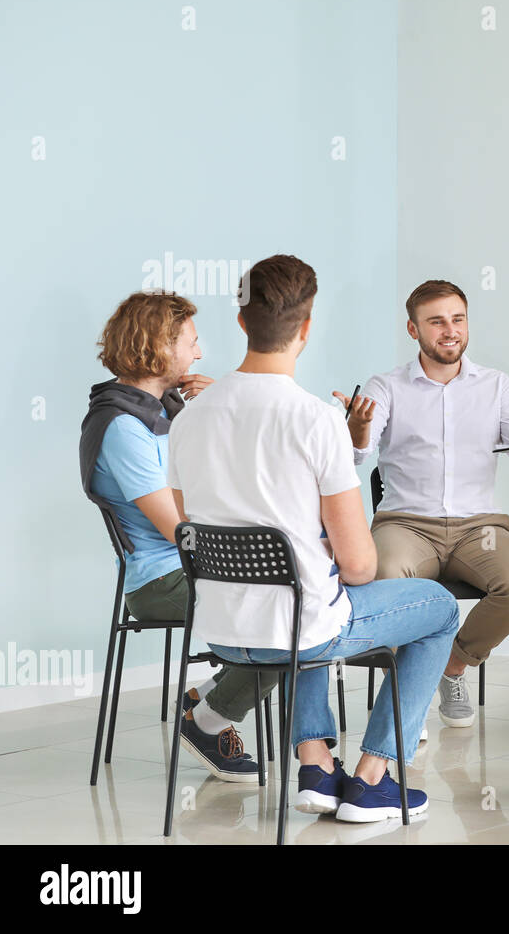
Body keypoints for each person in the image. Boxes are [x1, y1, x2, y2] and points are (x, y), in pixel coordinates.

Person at [168, 255, 460, 823]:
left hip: (223, 630)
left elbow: (190, 531)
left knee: (309, 594)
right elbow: (358, 566)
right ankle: (374, 777)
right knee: (440, 610)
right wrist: (321, 553)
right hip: (296, 628)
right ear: (306, 327)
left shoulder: (190, 417)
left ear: (242, 322)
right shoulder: (318, 421)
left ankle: (318, 767)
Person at [339, 279, 509, 730]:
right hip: (406, 524)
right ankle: (409, 697)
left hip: (477, 529)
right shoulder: (385, 386)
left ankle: (451, 667)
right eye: (437, 322)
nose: (450, 331)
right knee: (385, 578)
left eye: (458, 320)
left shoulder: (497, 386)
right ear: (413, 329)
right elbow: (355, 456)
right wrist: (356, 429)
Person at [79, 290, 275, 782]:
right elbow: (179, 530)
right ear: (159, 346)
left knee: (298, 600)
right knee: (287, 613)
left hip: (198, 565)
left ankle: (209, 704)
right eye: (190, 341)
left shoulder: (166, 412)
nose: (200, 353)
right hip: (162, 579)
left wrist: (218, 414)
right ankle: (208, 719)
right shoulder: (124, 427)